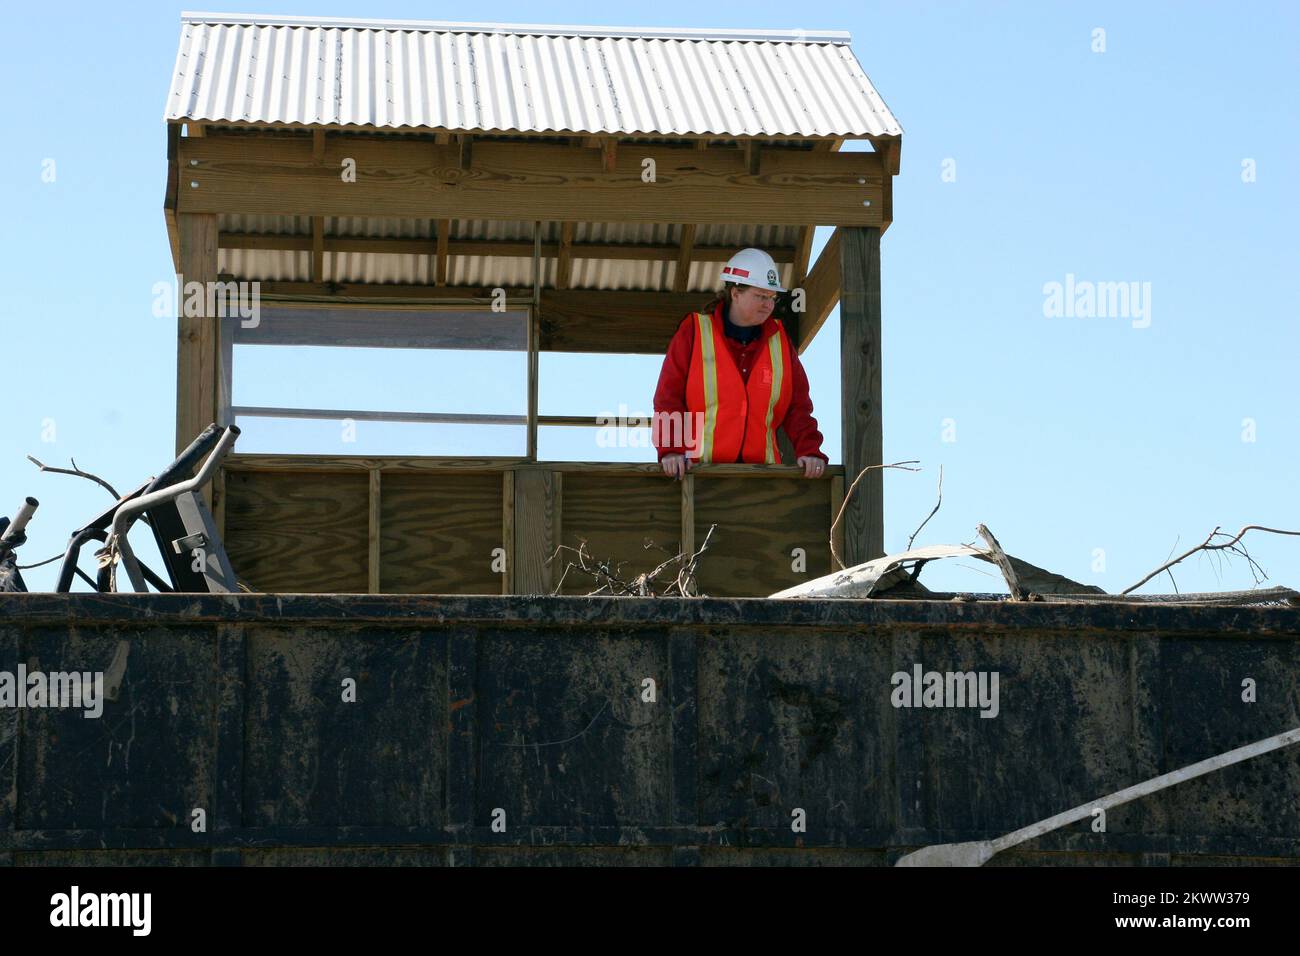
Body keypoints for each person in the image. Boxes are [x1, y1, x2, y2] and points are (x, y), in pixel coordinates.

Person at [652, 247, 829, 479]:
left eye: (772, 298)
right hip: (699, 475)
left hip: (761, 478)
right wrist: (671, 451)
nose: (768, 305)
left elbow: (798, 406)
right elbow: (668, 397)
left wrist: (809, 450)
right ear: (735, 293)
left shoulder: (780, 340)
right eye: (761, 296)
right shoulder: (694, 331)